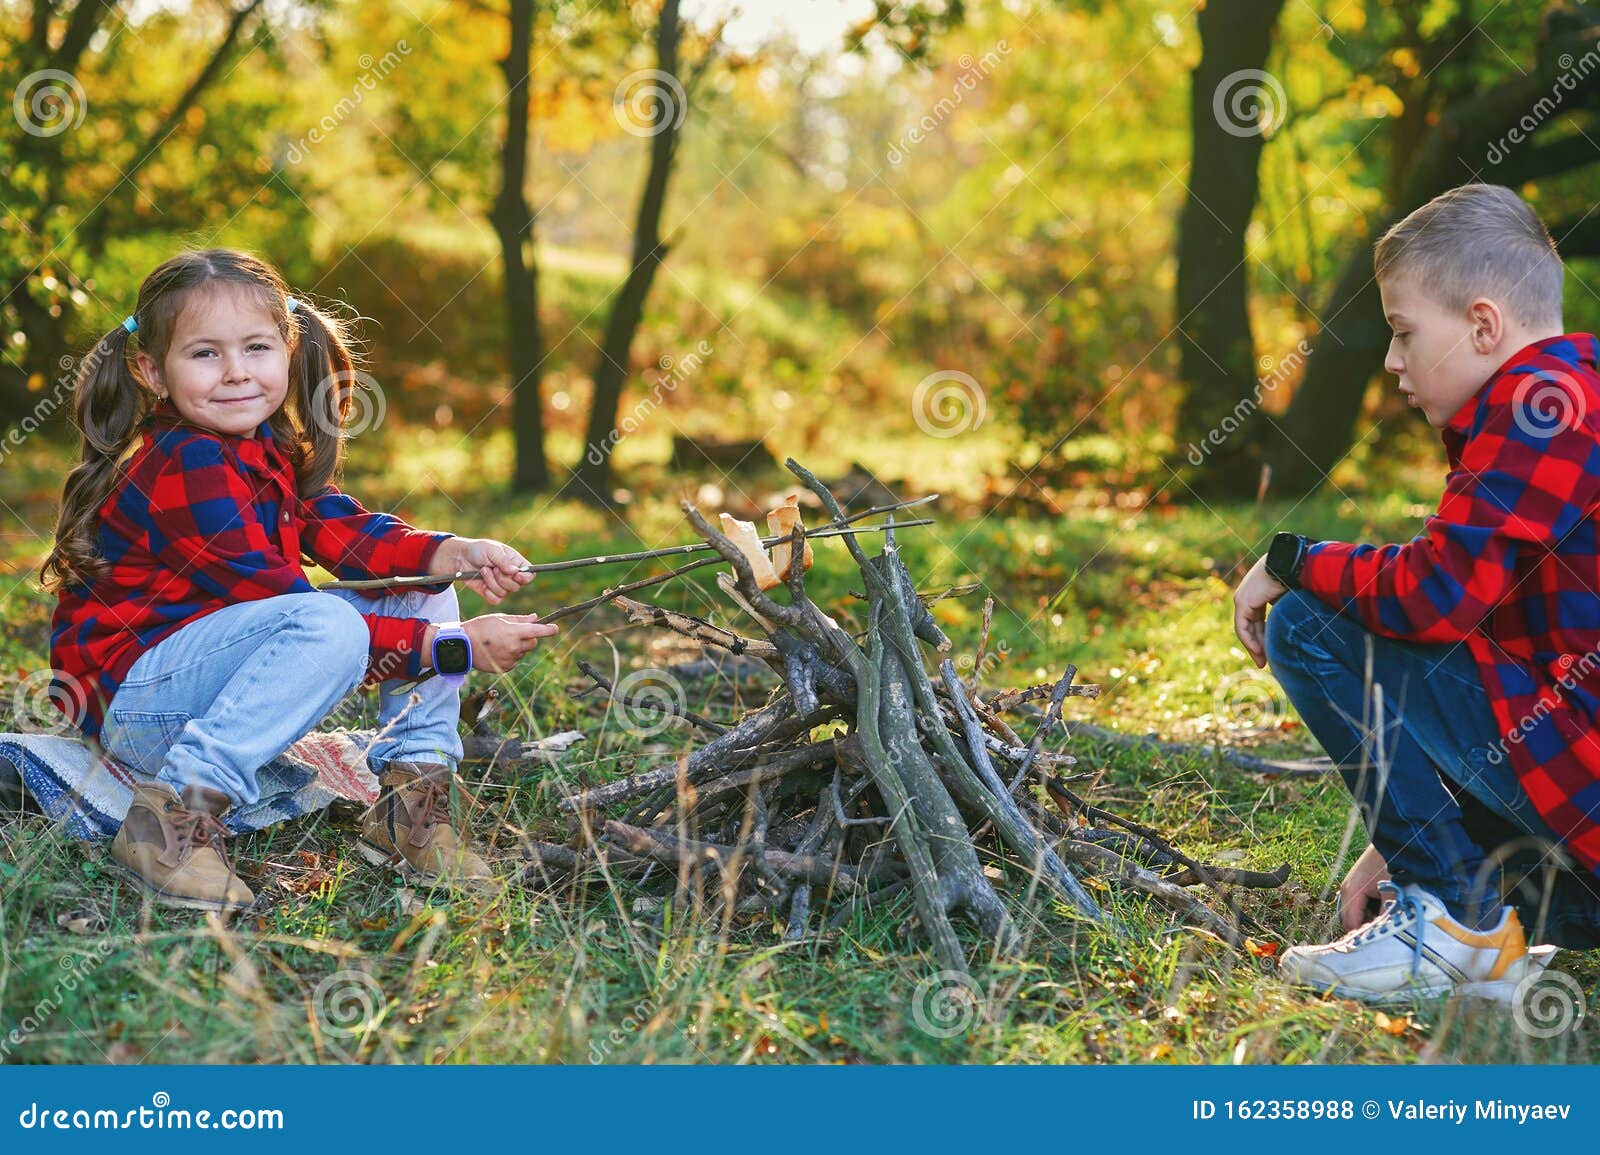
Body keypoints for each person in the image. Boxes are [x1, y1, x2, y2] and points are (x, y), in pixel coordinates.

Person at [41, 248, 559, 914]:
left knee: (415, 582)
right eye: (205, 354)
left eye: (255, 348)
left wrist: (456, 550)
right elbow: (294, 612)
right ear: (152, 371)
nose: (235, 373)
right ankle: (172, 819)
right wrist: (451, 646)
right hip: (138, 706)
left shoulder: (258, 444)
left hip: (204, 682)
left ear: (287, 349)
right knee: (333, 622)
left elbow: (346, 533)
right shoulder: (183, 460)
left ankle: (410, 805)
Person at [1233, 183, 1600, 1005]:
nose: (1392, 360)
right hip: (1578, 815)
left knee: (1306, 625)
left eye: (1404, 332)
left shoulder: (1543, 409)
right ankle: (1457, 905)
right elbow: (1494, 651)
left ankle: (1458, 927)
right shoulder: (1567, 393)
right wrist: (1410, 843)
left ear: (1481, 325)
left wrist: (1292, 558)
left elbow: (1432, 597)